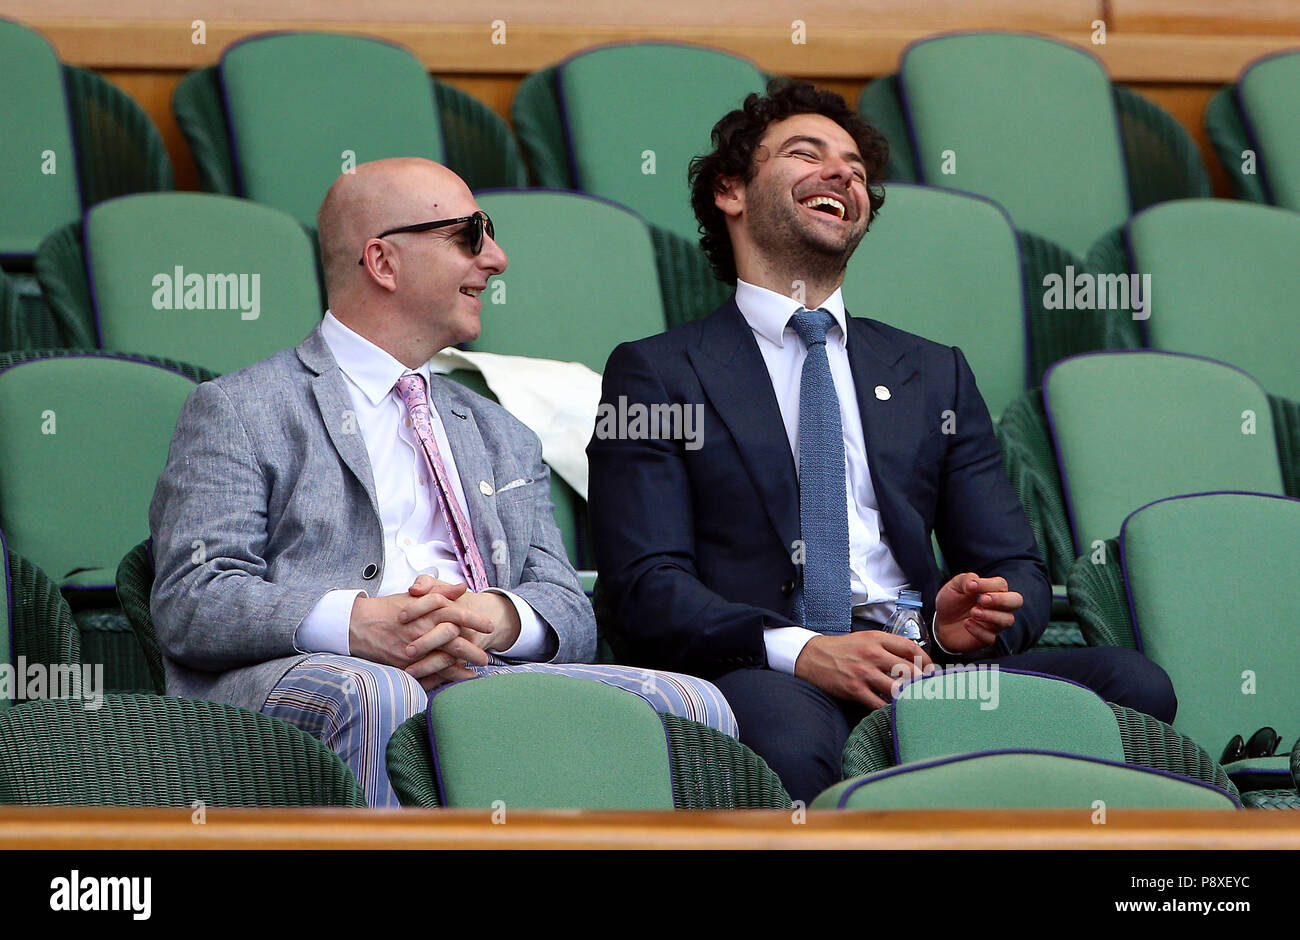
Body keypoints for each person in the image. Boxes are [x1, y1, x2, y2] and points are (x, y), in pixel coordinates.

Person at [586, 81, 1175, 803]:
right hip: (772, 669)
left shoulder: (932, 373)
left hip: (925, 663)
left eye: (857, 171)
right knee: (795, 747)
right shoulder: (657, 371)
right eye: (808, 154)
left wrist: (960, 625)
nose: (843, 174)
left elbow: (1013, 565)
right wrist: (806, 651)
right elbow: (646, 586)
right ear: (730, 191)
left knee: (1133, 684)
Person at [149, 157, 735, 807]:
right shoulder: (240, 409)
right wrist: (359, 625)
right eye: (470, 234)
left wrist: (492, 618)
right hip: (310, 681)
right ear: (383, 262)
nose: (497, 258)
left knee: (693, 701)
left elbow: (569, 608)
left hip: (480, 669)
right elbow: (193, 598)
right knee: (378, 689)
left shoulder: (500, 430)